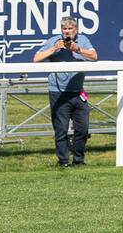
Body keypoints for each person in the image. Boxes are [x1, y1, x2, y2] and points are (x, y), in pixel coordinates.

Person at [34, 16, 98, 167]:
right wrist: (54, 48)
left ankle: (78, 160)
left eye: (70, 29)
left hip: (77, 92)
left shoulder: (83, 40)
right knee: (61, 130)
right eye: (64, 29)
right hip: (58, 92)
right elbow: (36, 59)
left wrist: (76, 49)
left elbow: (94, 56)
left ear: (76, 30)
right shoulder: (53, 40)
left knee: (82, 129)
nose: (67, 32)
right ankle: (63, 162)